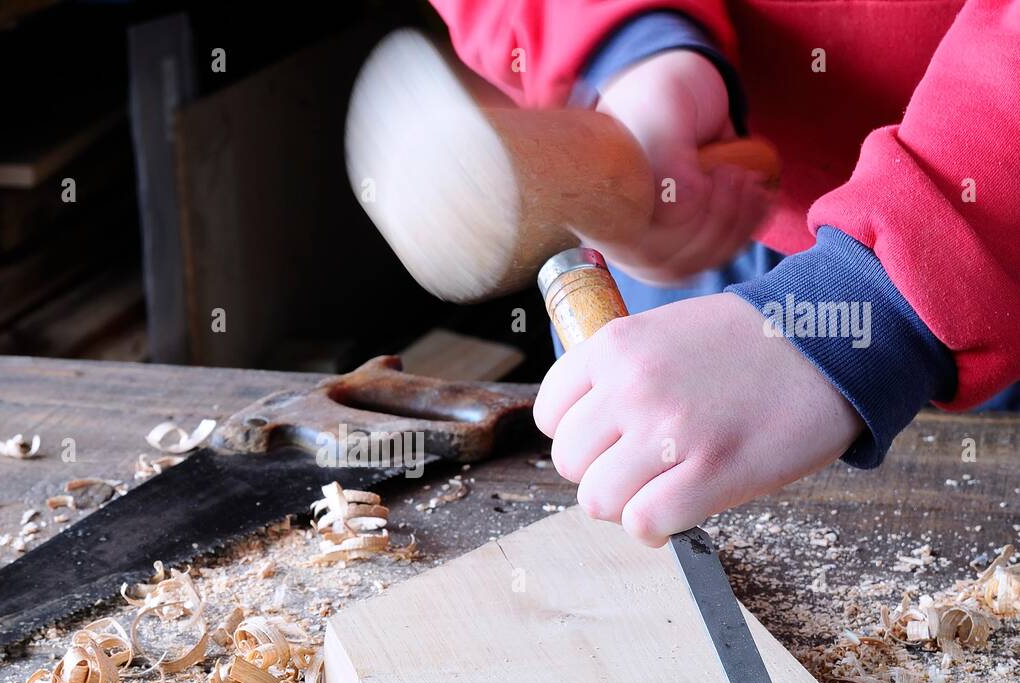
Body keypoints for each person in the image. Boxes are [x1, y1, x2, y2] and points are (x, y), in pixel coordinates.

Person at [429, 1, 1020, 545]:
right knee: (662, 538)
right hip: (691, 221)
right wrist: (631, 42)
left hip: (984, 238)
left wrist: (879, 296)